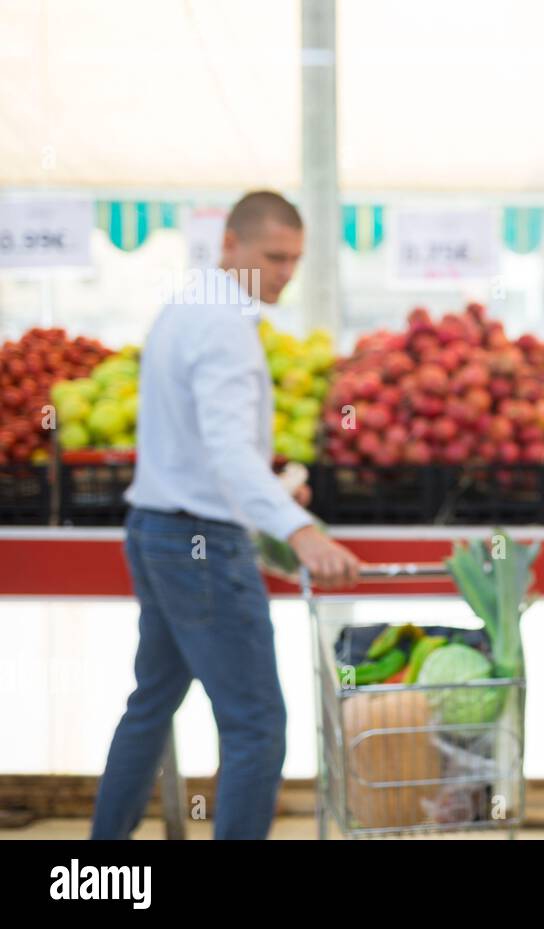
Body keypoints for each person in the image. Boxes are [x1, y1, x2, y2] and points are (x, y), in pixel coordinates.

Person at [91, 191, 361, 840]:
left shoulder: (189, 305)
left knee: (150, 706)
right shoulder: (224, 328)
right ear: (230, 245)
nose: (286, 272)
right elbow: (228, 451)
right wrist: (297, 528)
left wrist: (267, 487)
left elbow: (209, 446)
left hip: (156, 528)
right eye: (274, 256)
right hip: (200, 542)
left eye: (295, 260)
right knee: (256, 725)